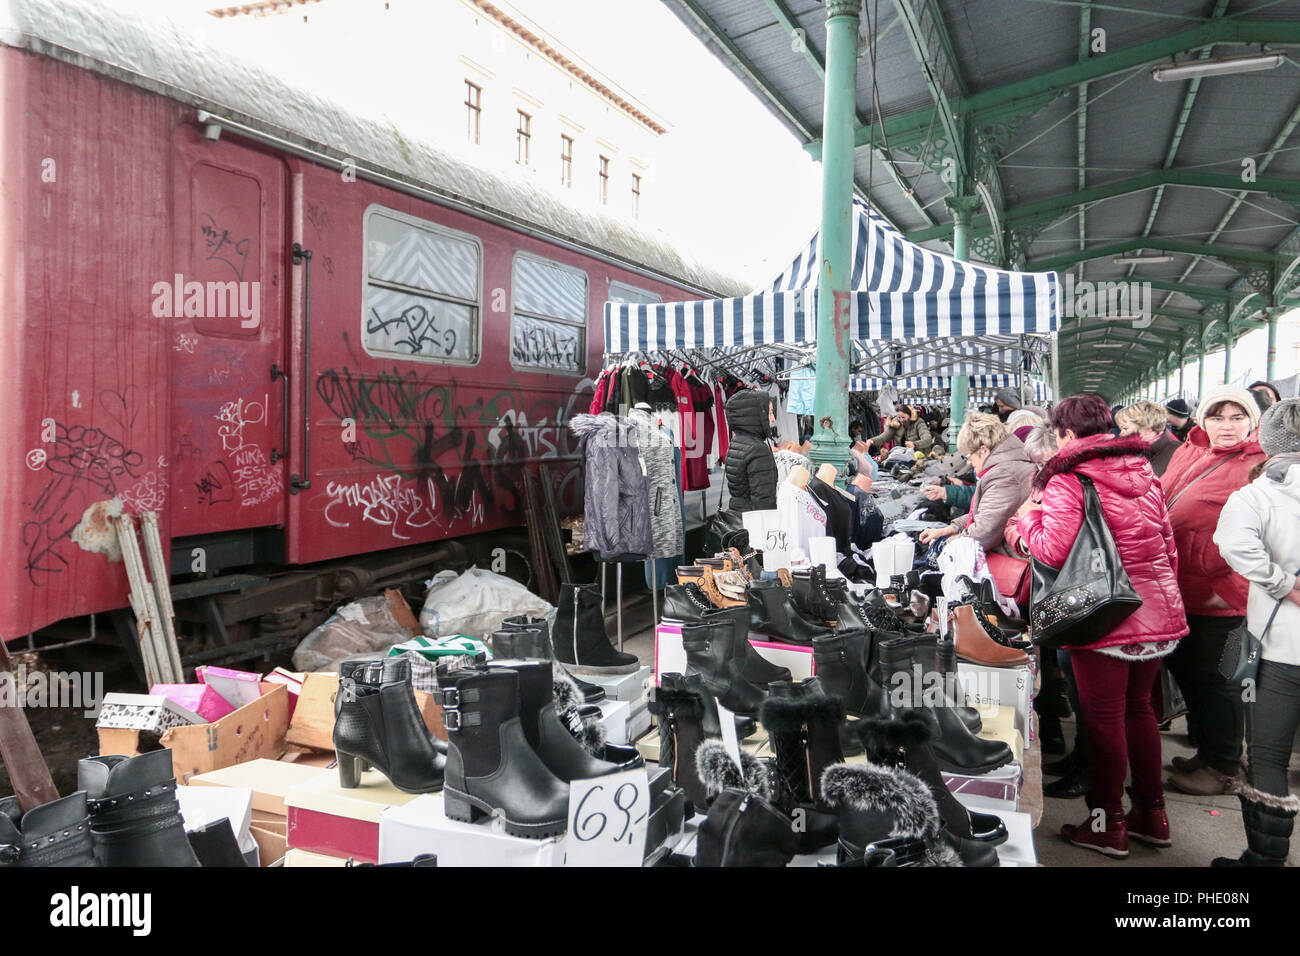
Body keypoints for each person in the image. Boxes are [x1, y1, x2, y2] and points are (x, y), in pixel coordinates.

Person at [1018, 393, 1188, 857]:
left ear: (1064, 434)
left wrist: (1025, 521)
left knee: (1103, 718)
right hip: (1155, 610)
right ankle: (1152, 815)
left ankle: (1107, 822)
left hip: (1102, 614)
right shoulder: (1142, 469)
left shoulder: (1067, 478)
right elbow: (1167, 543)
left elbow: (1052, 551)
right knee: (1141, 712)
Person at [1161, 385, 1267, 796]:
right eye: (1218, 416)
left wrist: (1218, 576)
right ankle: (1208, 752)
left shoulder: (1260, 464)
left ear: (1252, 420)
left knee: (1220, 682)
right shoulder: (1192, 449)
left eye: (1237, 416)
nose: (1227, 425)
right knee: (1190, 673)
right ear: (1203, 419)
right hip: (1184, 588)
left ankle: (1224, 767)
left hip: (1224, 596)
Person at [1212, 399, 1300, 866]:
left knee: (1268, 755)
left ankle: (1265, 861)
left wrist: (1284, 584)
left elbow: (1231, 543)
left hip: (1280, 649)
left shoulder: (1255, 495)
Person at [918, 414, 1034, 555]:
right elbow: (987, 513)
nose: (968, 462)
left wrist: (943, 545)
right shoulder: (1006, 468)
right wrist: (951, 528)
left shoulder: (1003, 475)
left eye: (969, 455)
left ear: (983, 450)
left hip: (1007, 558)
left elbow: (983, 534)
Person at [722, 389, 777, 512]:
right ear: (755, 415)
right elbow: (764, 501)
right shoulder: (758, 450)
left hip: (738, 515)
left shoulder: (737, 442)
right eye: (770, 413)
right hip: (753, 523)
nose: (773, 419)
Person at [1115, 400, 1181, 476]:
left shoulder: (1180, 454)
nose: (1121, 434)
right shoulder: (1134, 451)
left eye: (1125, 428)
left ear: (1147, 428)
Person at [865, 403, 934, 454]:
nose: (901, 420)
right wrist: (872, 441)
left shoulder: (918, 422)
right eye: (899, 417)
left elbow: (928, 439)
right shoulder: (895, 423)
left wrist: (915, 444)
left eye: (903, 417)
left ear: (910, 415)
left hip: (920, 457)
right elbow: (884, 437)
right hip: (903, 456)